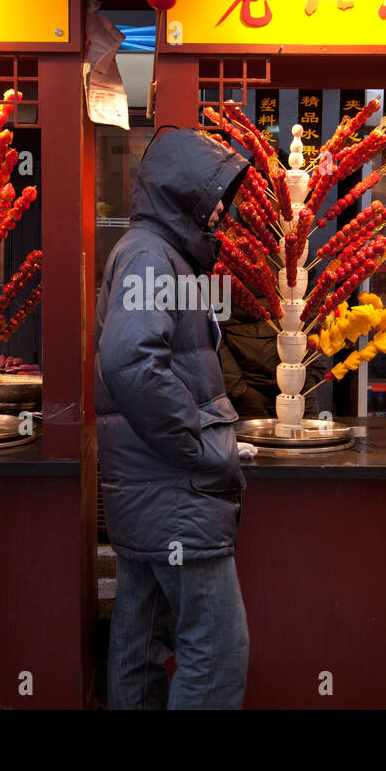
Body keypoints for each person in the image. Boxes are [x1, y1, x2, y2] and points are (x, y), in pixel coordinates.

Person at [96, 127, 252, 709]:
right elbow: (130, 358)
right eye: (213, 199)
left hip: (150, 490)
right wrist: (197, 441)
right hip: (175, 490)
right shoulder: (149, 255)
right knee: (215, 652)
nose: (220, 213)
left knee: (141, 645)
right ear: (180, 193)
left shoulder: (155, 254)